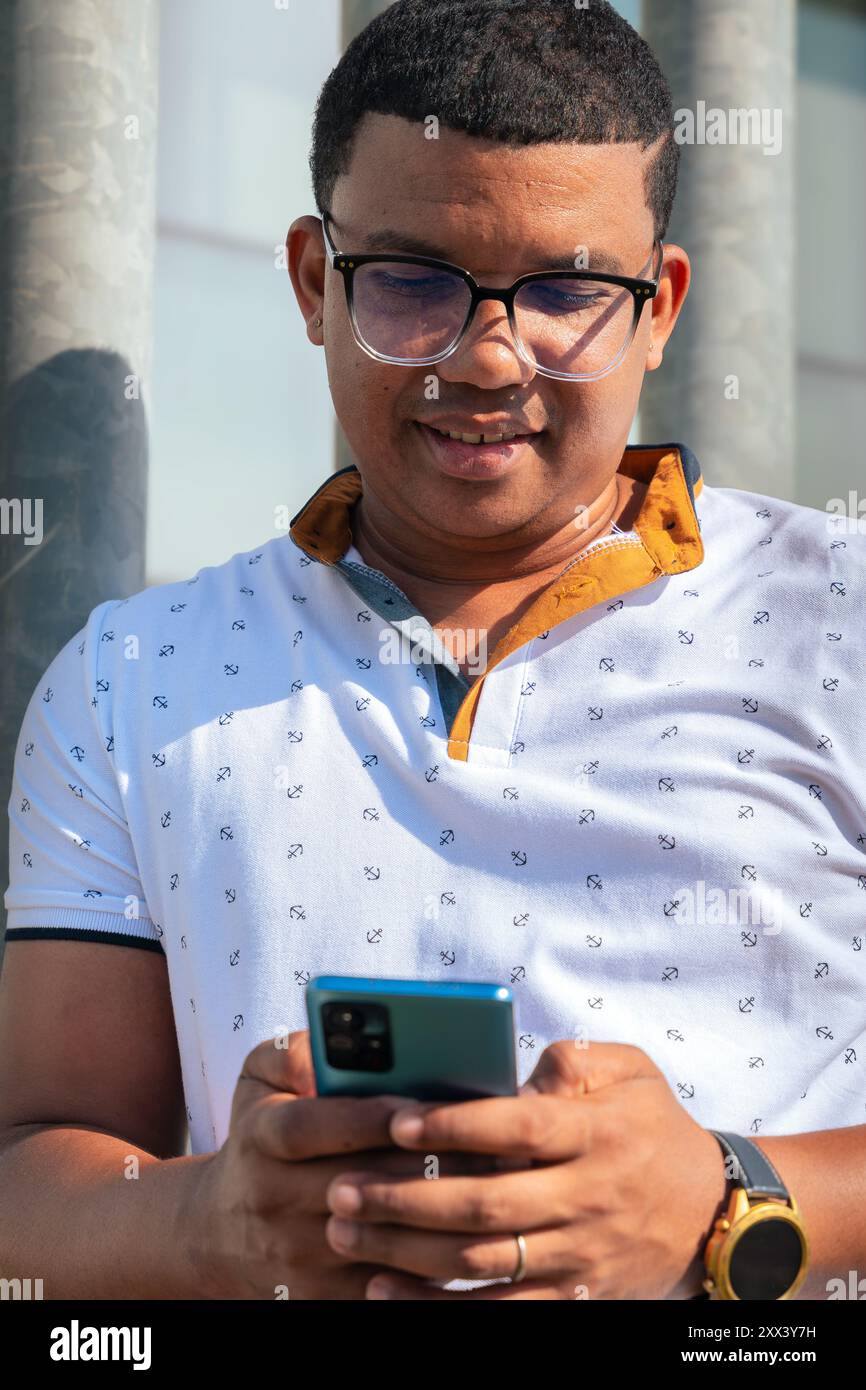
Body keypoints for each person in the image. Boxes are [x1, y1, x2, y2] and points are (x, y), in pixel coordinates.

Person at [1, 0, 864, 1302]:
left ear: (661, 304)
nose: (485, 357)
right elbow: (26, 1153)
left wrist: (729, 1194)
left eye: (567, 290)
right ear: (312, 281)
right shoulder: (133, 680)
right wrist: (211, 1220)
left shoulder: (837, 617)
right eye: (412, 283)